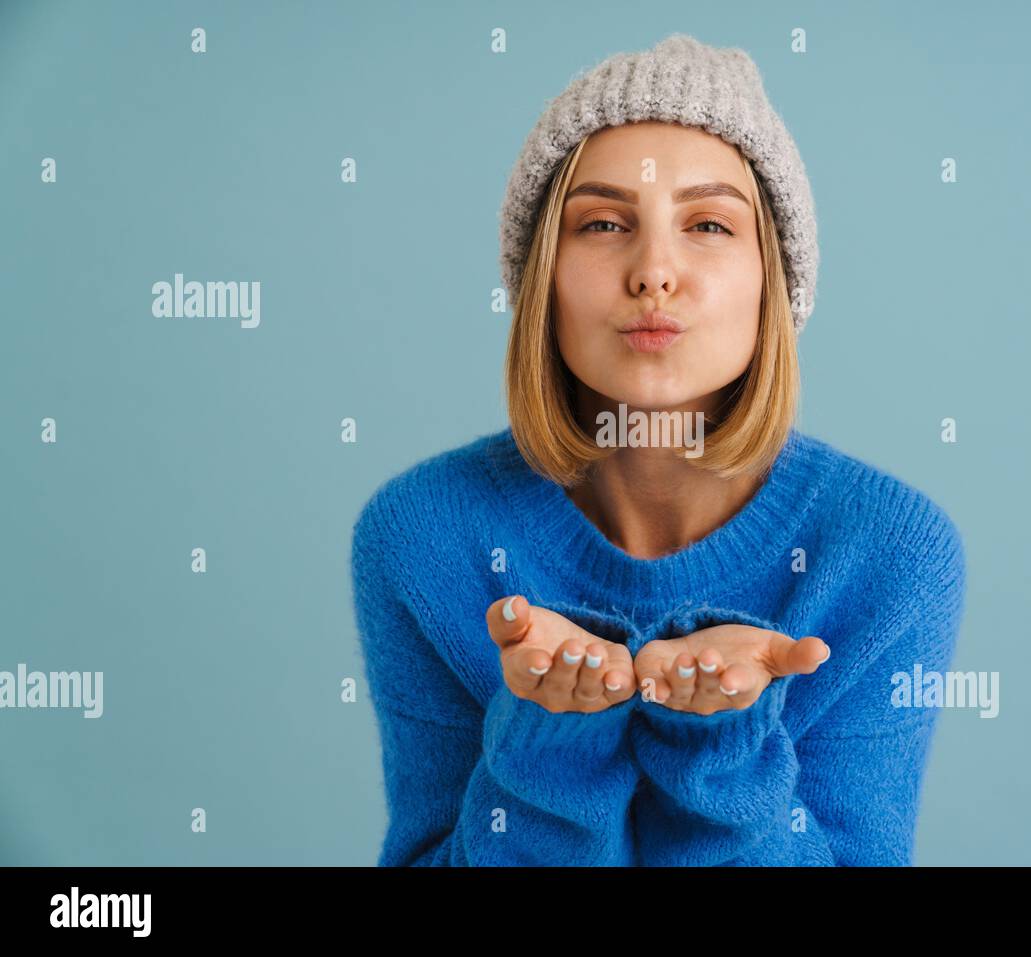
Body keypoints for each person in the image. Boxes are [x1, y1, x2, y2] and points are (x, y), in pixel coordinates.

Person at [350, 33, 966, 866]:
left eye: (709, 224)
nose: (654, 271)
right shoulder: (422, 533)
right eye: (603, 223)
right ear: (541, 279)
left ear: (772, 281)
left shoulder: (891, 552)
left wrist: (722, 754)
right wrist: (548, 748)